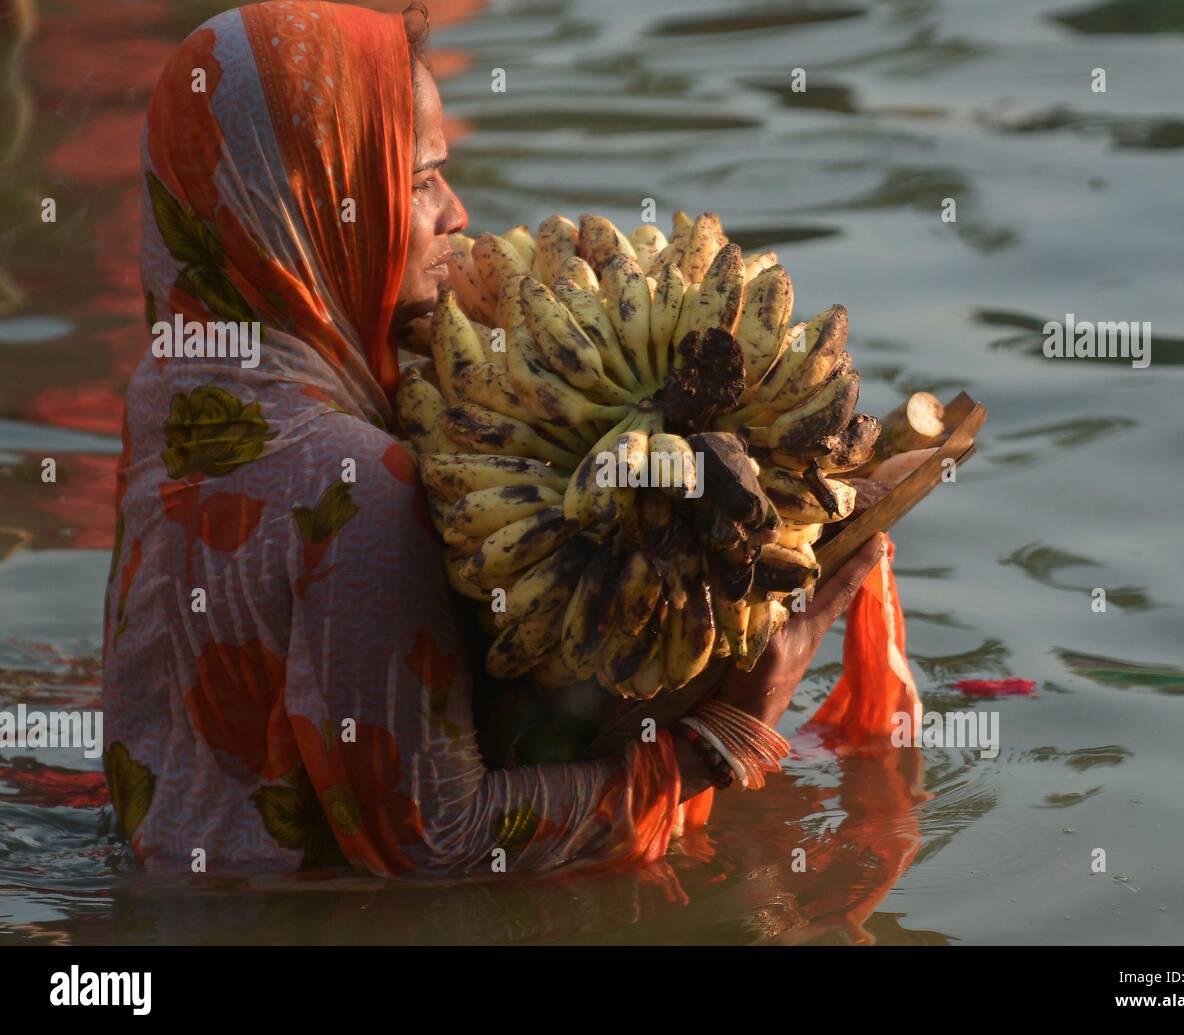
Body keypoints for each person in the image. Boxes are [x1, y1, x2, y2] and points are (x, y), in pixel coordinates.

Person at [102, 0, 918, 878]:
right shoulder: (359, 484)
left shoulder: (177, 395)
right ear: (315, 204)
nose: (456, 212)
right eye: (418, 179)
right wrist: (726, 731)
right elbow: (440, 842)